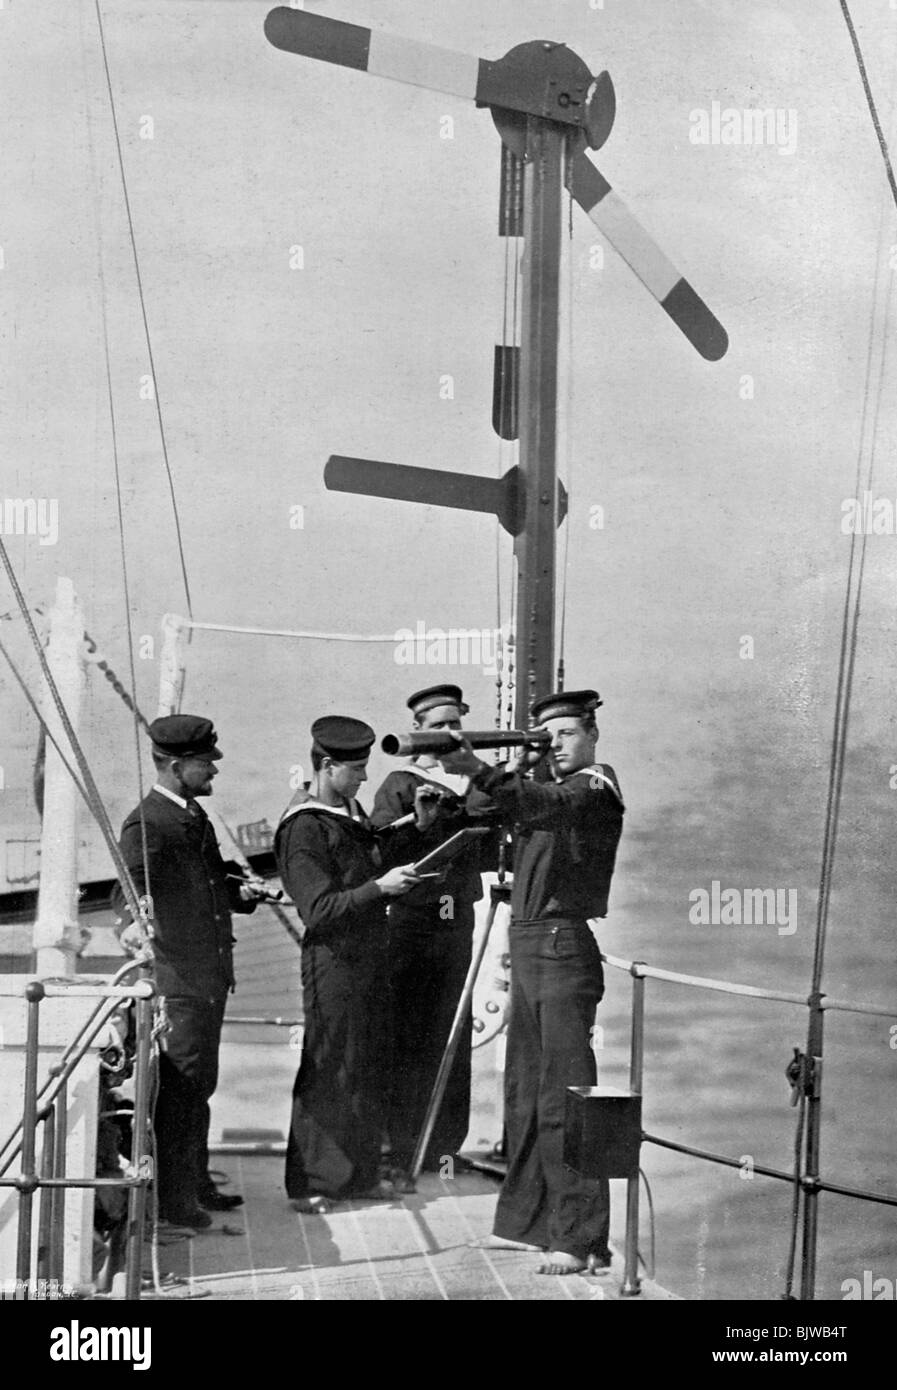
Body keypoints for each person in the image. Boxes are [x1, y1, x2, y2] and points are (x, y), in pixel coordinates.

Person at [447, 689, 624, 1276]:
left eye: (567, 733)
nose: (557, 744)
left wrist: (486, 768)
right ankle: (528, 1221)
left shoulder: (595, 788)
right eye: (548, 736)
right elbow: (477, 813)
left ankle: (581, 1238)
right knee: (525, 1091)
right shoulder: (542, 790)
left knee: (570, 1095)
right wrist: (503, 770)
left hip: (561, 946)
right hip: (528, 944)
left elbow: (546, 804)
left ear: (592, 735)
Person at [275, 715, 438, 1214]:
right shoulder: (303, 828)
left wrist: (419, 828)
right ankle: (311, 1182)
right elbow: (319, 909)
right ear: (327, 767)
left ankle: (358, 1174)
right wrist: (380, 890)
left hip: (368, 959)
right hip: (334, 963)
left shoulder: (346, 810)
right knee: (329, 1068)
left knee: (366, 1065)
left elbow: (369, 855)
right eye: (357, 769)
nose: (366, 778)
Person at [114, 715, 261, 1228]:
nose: (213, 770)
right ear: (177, 766)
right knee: (180, 1094)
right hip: (180, 982)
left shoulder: (191, 815)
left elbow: (206, 882)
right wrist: (132, 921)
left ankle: (194, 1183)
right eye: (205, 763)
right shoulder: (148, 823)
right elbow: (130, 892)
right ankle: (175, 1203)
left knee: (199, 1087)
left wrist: (242, 893)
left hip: (207, 977)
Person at [370, 684, 495, 1190]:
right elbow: (380, 852)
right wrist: (421, 828)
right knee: (407, 1033)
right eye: (439, 726)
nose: (450, 734)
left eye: (455, 724)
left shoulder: (469, 783)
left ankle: (443, 1148)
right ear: (419, 729)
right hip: (411, 925)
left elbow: (486, 851)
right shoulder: (400, 784)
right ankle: (398, 1149)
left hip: (454, 921)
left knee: (451, 1030)